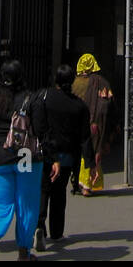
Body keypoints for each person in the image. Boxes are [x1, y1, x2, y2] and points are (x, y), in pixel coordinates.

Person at [0, 59, 49, 261]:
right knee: (26, 203)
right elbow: (39, 129)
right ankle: (23, 251)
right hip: (24, 156)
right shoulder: (30, 98)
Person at [36, 63, 93, 251]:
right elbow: (85, 137)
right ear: (72, 80)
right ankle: (57, 232)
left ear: (56, 80)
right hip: (66, 155)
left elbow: (39, 126)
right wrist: (90, 164)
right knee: (59, 193)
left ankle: (39, 225)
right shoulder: (79, 106)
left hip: (45, 153)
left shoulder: (44, 98)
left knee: (43, 190)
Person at [72, 53, 115, 196]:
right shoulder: (101, 82)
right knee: (92, 152)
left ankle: (79, 182)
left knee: (79, 154)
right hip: (94, 124)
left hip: (77, 123)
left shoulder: (75, 83)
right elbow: (109, 105)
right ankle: (88, 184)